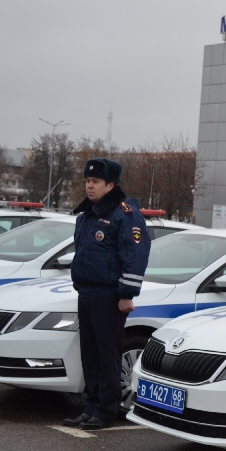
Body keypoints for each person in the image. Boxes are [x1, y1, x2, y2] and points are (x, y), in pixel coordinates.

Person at [62, 158, 151, 430]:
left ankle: (106, 411)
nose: (89, 186)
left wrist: (126, 294)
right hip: (87, 293)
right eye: (87, 181)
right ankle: (91, 406)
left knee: (107, 355)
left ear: (110, 185)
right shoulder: (88, 214)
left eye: (95, 182)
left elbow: (135, 257)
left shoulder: (125, 215)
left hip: (108, 296)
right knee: (89, 355)